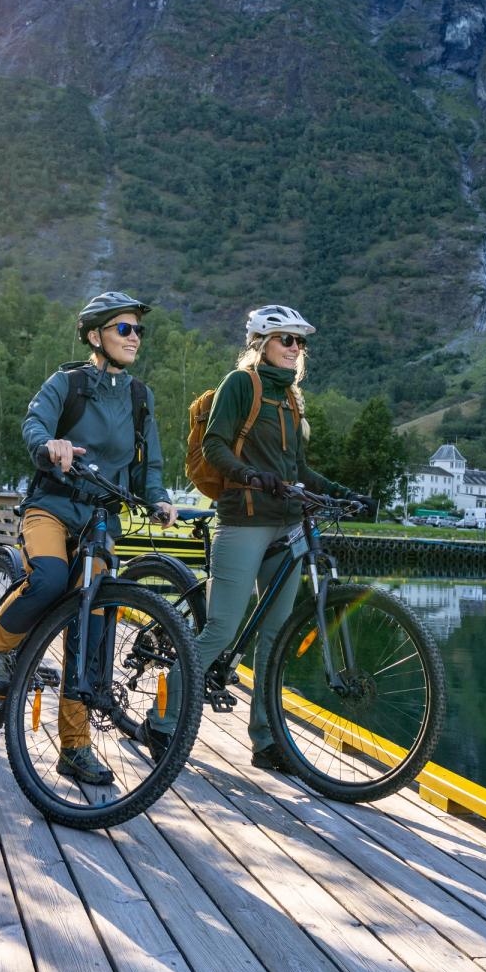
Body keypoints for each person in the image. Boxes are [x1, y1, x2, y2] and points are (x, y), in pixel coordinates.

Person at [0, 290, 178, 785]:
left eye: (138, 330)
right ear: (95, 336)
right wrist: (51, 445)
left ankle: (74, 747)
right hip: (53, 507)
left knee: (94, 629)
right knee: (48, 579)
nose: (134, 338)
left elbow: (147, 463)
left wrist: (159, 498)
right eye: (123, 329)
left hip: (101, 521)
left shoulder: (139, 396)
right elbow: (34, 425)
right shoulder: (67, 383)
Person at [156, 302, 362, 770]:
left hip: (287, 523)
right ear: (261, 344)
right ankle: (162, 718)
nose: (295, 348)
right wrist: (251, 476)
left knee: (277, 636)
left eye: (299, 341)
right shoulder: (241, 384)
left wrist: (342, 492)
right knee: (222, 629)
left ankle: (266, 741)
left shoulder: (291, 400)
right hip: (245, 518)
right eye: (286, 339)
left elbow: (299, 470)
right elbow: (215, 445)